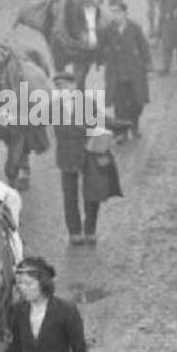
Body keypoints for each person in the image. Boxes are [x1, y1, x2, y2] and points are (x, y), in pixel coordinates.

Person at [51, 73, 122, 246]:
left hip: (89, 152)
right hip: (67, 155)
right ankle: (74, 232)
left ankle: (90, 230)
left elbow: (103, 119)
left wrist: (118, 124)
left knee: (93, 193)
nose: (62, 90)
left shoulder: (87, 103)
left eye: (65, 85)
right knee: (70, 196)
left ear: (74, 86)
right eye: (58, 87)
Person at [102, 1, 151, 141]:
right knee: (119, 104)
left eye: (118, 12)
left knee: (137, 103)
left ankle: (134, 127)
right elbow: (101, 47)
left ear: (125, 13)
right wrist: (103, 57)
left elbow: (143, 46)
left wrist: (147, 63)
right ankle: (121, 133)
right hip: (116, 74)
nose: (115, 16)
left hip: (134, 72)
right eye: (113, 13)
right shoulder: (108, 30)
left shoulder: (134, 28)